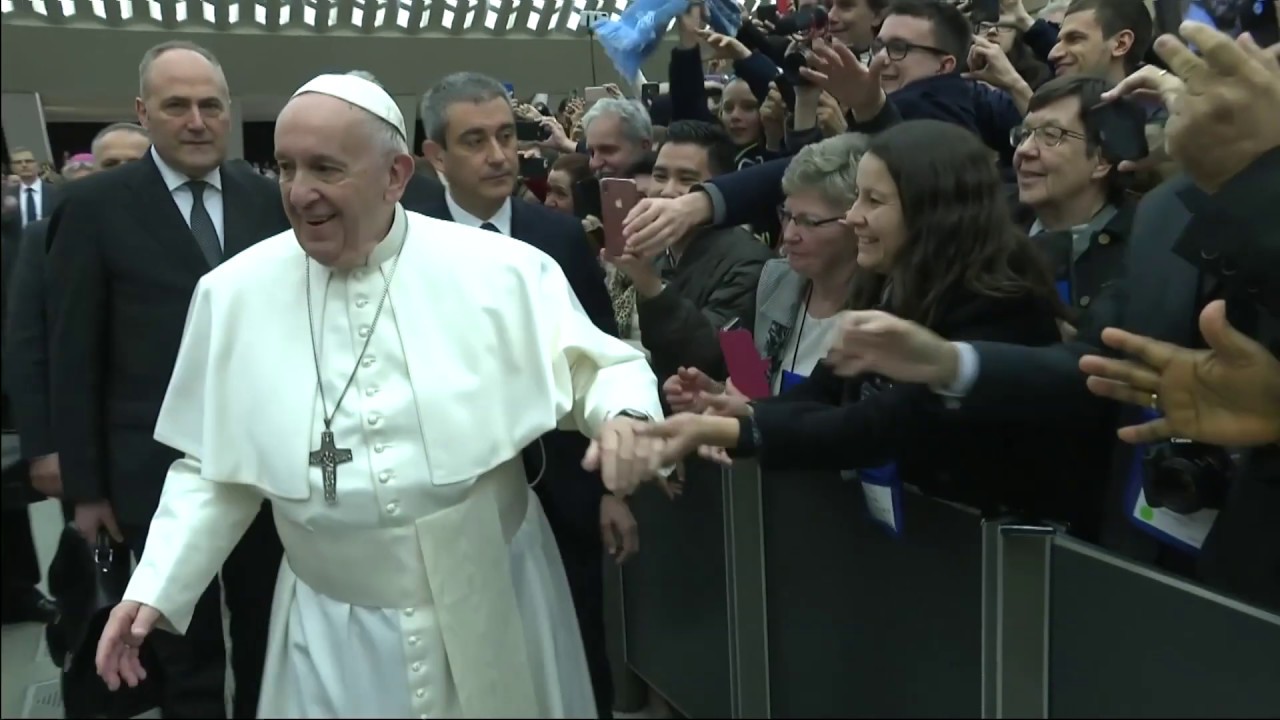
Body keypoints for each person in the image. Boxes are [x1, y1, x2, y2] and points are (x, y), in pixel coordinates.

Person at [95, 73, 667, 718]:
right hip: (331, 623)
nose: (298, 191)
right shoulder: (233, 295)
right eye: (285, 167)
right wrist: (155, 586)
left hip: (496, 588)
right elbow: (212, 466)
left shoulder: (499, 268)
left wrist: (624, 416)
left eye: (325, 168)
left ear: (395, 175)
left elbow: (600, 368)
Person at [46, 41, 288, 717]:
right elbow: (73, 355)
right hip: (148, 471)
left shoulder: (266, 201)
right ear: (143, 112)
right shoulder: (94, 208)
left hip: (260, 469)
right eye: (176, 105)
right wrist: (86, 491)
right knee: (183, 646)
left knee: (269, 630)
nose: (196, 120)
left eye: (211, 105)